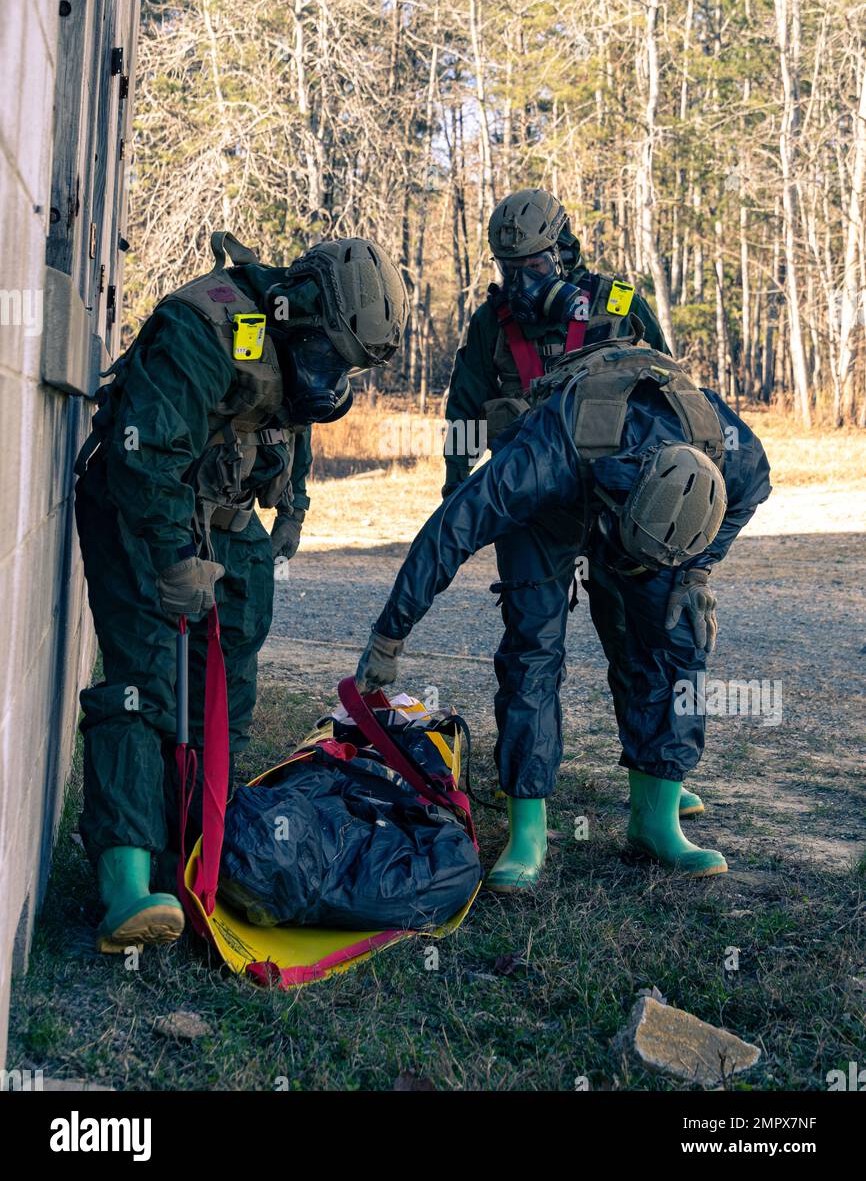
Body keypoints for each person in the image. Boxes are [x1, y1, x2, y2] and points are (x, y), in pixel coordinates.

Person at [75, 232, 408, 951]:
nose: (329, 374)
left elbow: (293, 419)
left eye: (342, 366)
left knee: (228, 695)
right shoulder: (204, 326)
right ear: (296, 310)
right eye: (325, 354)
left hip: (229, 520)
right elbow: (145, 455)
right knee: (145, 687)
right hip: (142, 510)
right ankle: (127, 885)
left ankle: (194, 856)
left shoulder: (302, 347)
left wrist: (292, 509)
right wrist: (172, 559)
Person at [357, 338, 771, 888]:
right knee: (534, 651)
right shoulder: (537, 462)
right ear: (617, 502)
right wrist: (390, 636)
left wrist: (697, 572)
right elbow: (449, 533)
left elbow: (750, 493)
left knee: (677, 642)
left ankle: (655, 821)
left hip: (652, 523)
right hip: (551, 515)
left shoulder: (725, 447)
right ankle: (527, 829)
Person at [442, 189, 705, 824]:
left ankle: (654, 775)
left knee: (640, 638)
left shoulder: (618, 305)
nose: (521, 281)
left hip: (623, 505)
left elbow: (671, 391)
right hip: (534, 511)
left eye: (533, 266)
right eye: (509, 269)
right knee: (530, 648)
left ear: (563, 251)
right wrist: (457, 488)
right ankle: (528, 810)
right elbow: (463, 414)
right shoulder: (492, 325)